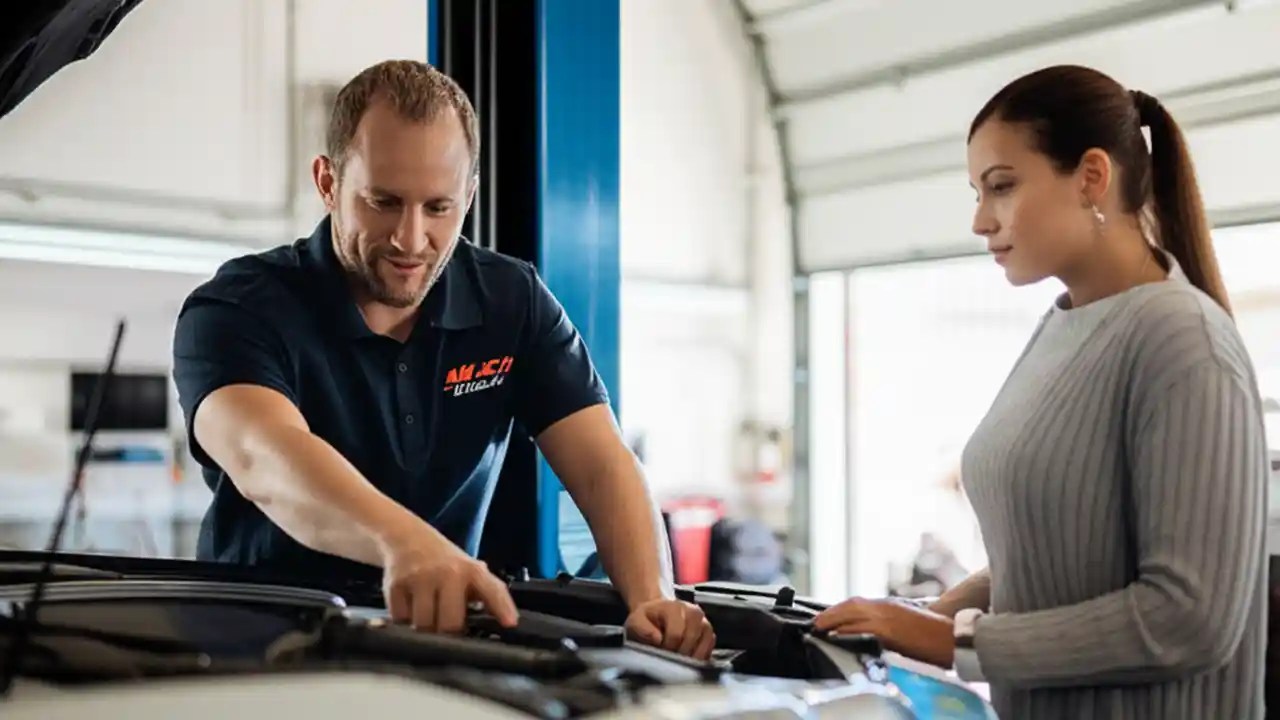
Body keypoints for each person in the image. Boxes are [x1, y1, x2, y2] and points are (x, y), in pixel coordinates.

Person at [171, 59, 715, 660]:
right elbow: (263, 457)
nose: (411, 239)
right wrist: (404, 542)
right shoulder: (237, 309)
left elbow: (602, 463)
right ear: (328, 182)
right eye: (383, 202)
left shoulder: (512, 302)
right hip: (262, 656)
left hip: (442, 655)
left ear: (470, 196)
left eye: (438, 208)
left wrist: (651, 597)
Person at [814, 64, 1267, 719]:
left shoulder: (1181, 337)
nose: (978, 219)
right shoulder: (1065, 324)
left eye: (1000, 187)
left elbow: (1186, 619)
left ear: (1091, 177)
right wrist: (944, 606)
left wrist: (953, 639)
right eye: (975, 191)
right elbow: (1065, 546)